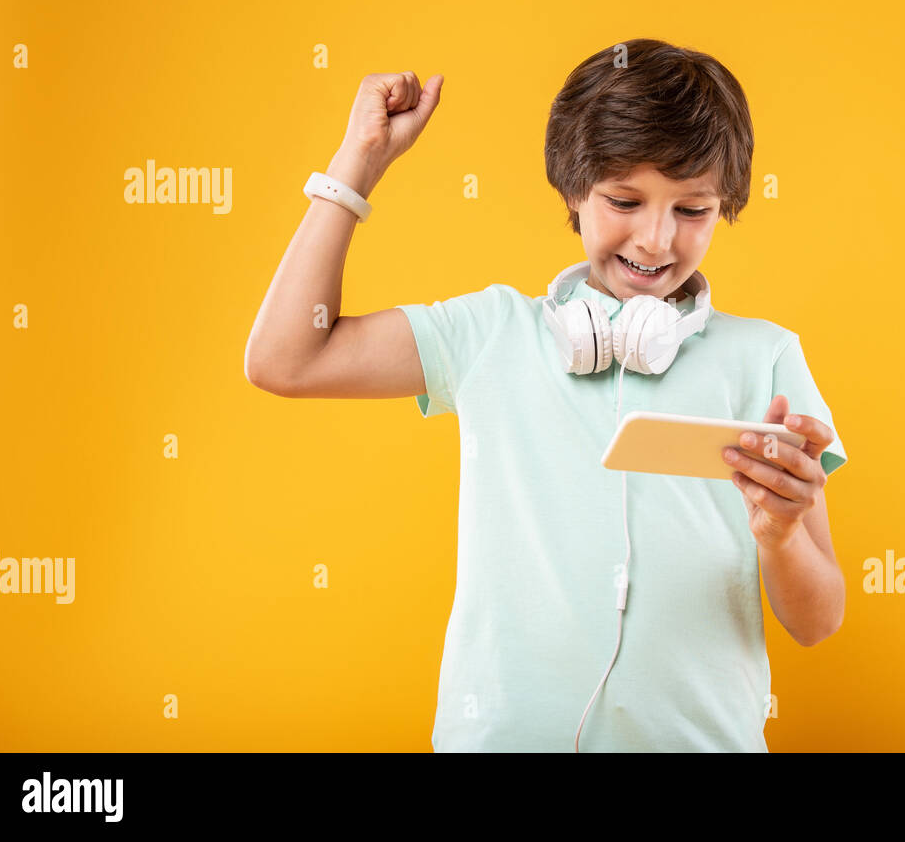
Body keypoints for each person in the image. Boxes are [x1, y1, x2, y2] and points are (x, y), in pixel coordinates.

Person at [243, 38, 849, 752]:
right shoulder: (489, 333)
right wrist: (359, 163)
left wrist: (780, 535)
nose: (657, 239)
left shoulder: (765, 357)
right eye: (625, 201)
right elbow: (286, 358)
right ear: (572, 190)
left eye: (694, 210)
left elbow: (818, 619)